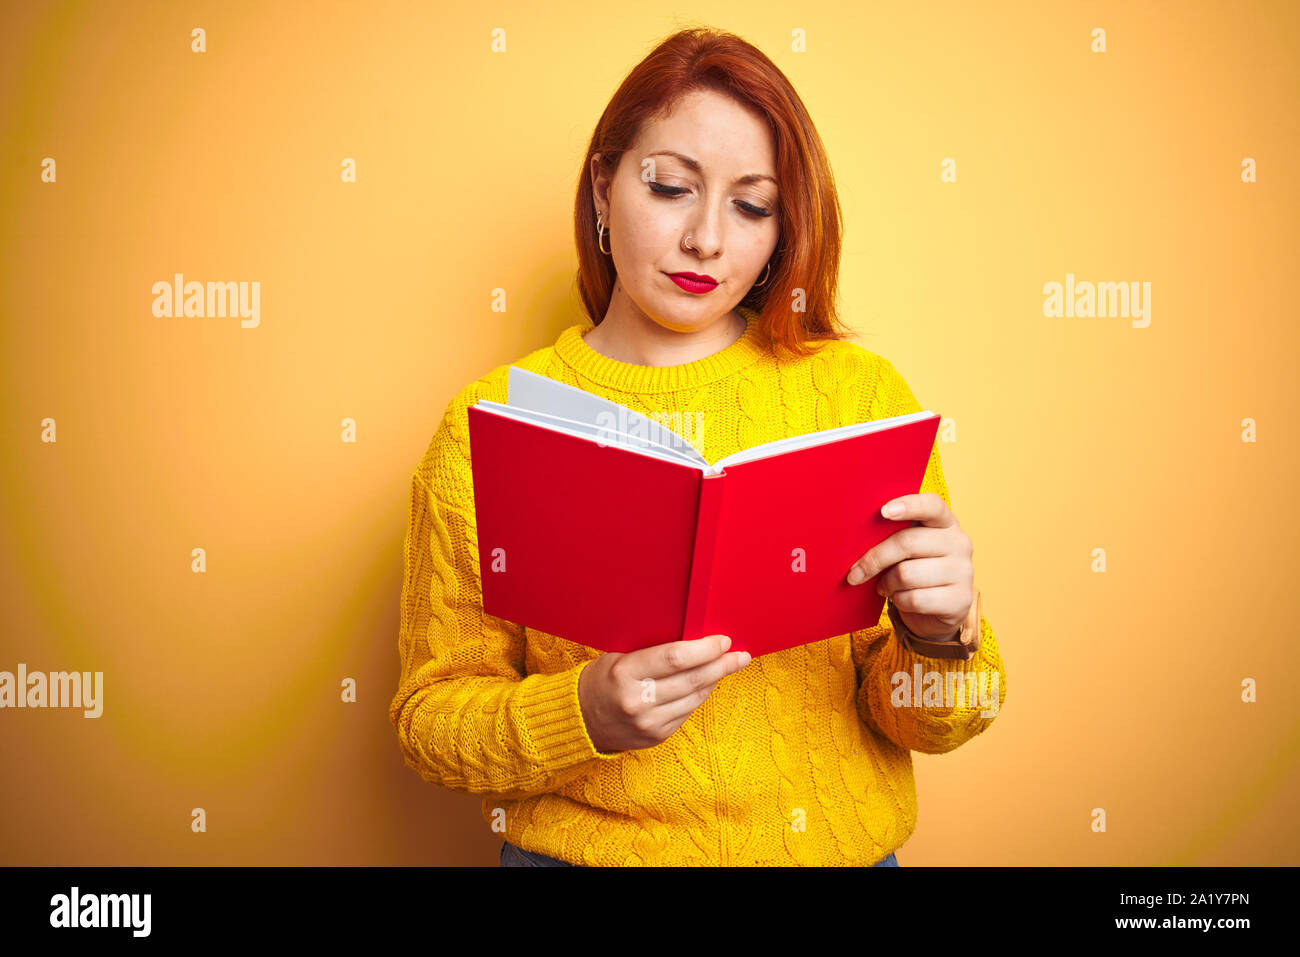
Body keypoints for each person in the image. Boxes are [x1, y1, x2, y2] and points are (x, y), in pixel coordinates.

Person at [390, 26, 1007, 867]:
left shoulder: (856, 399)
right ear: (604, 188)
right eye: (672, 187)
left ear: (784, 227)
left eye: (752, 205)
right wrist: (582, 712)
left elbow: (940, 722)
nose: (707, 240)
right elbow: (429, 726)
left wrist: (943, 637)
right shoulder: (484, 427)